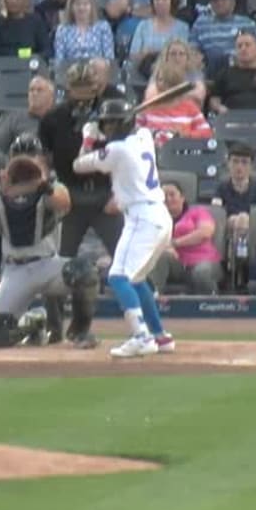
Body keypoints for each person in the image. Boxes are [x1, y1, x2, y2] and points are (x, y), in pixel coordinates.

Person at [73, 99, 174, 358]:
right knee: (137, 279)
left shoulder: (117, 150)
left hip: (142, 217)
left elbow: (78, 165)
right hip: (157, 216)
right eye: (106, 122)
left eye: (113, 122)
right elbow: (137, 129)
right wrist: (103, 133)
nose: (108, 127)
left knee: (118, 277)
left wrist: (88, 139)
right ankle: (159, 336)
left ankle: (141, 337)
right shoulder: (143, 137)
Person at [0, 132, 95, 347]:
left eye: (31, 154)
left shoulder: (51, 188)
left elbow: (64, 203)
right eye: (20, 155)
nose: (26, 159)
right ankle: (33, 323)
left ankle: (80, 332)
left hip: (48, 265)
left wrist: (41, 183)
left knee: (85, 272)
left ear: (42, 158)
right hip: (15, 269)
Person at [39, 60, 124, 260]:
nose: (83, 95)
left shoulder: (110, 115)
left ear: (96, 87)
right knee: (62, 257)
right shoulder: (53, 118)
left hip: (105, 194)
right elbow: (43, 157)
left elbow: (123, 155)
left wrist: (118, 194)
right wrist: (50, 188)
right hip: (69, 196)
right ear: (68, 88)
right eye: (78, 88)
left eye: (88, 88)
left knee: (124, 257)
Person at [148, 182, 222, 295]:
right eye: (164, 196)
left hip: (204, 261)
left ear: (182, 198)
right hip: (177, 264)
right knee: (161, 256)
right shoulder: (155, 219)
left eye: (172, 195)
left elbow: (205, 232)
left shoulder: (197, 212)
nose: (168, 199)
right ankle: (154, 298)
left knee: (201, 272)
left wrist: (174, 243)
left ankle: (211, 306)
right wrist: (163, 248)